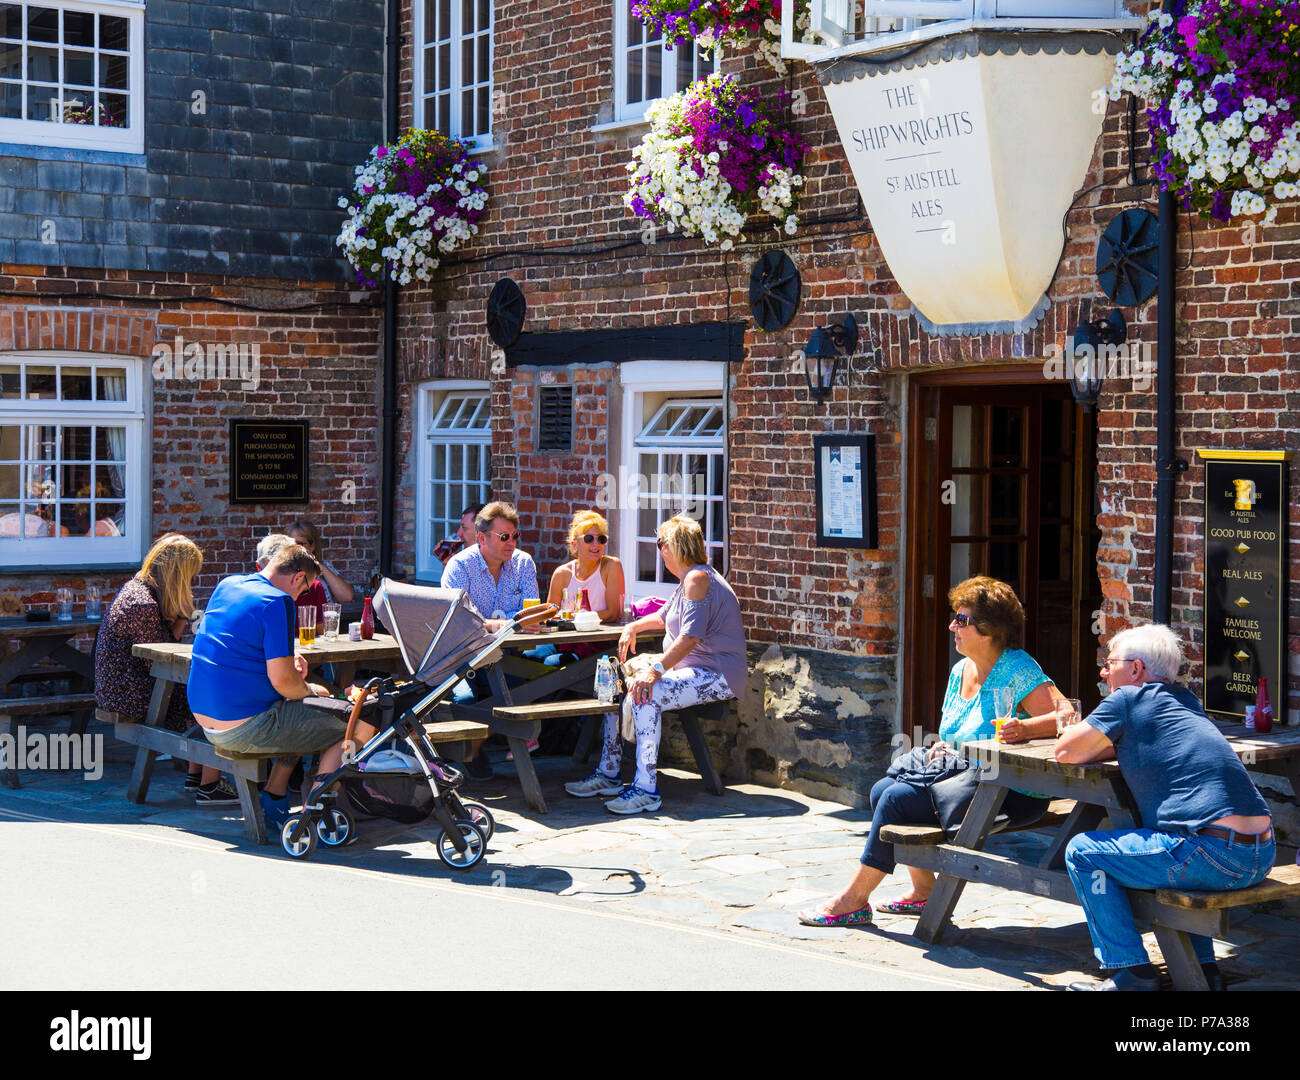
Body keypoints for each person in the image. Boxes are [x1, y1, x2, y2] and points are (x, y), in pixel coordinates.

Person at [797, 576, 1062, 927]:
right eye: (955, 617)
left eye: (962, 620)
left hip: (1011, 790)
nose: (953, 625)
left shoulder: (1018, 669)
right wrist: (943, 746)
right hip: (963, 780)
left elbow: (1066, 716)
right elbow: (955, 734)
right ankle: (923, 892)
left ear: (989, 630)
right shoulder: (960, 670)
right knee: (882, 791)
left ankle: (853, 901)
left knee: (896, 801)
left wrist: (1024, 728)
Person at [1058, 625, 1274, 991]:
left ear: (1137, 669)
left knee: (1084, 852)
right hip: (1260, 854)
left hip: (1211, 855)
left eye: (1110, 663)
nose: (1103, 671)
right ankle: (1203, 971)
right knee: (1170, 840)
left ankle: (1132, 973)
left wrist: (1075, 734)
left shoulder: (1127, 699)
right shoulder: (1186, 702)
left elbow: (1066, 752)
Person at [187, 544, 376, 834]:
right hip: (243, 727)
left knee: (310, 712)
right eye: (303, 590)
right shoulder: (277, 602)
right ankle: (316, 814)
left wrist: (289, 665)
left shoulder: (229, 585)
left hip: (204, 719)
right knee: (361, 722)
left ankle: (277, 796)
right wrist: (311, 690)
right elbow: (283, 683)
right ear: (298, 577)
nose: (300, 597)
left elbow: (242, 651)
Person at [565, 514, 744, 815]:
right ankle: (609, 772)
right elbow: (664, 617)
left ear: (674, 546)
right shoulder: (688, 578)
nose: (659, 550)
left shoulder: (699, 579)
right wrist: (633, 627)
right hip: (691, 669)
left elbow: (690, 637)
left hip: (717, 674)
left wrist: (655, 670)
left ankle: (646, 789)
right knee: (612, 681)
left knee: (644, 691)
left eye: (661, 543)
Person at [94, 533, 239, 806]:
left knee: (198, 690)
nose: (191, 582)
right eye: (189, 576)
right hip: (125, 692)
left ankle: (197, 776)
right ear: (177, 573)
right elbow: (159, 660)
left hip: (127, 683)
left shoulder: (137, 589)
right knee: (213, 697)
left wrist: (181, 614)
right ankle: (209, 784)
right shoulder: (143, 604)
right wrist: (184, 615)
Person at [440, 501, 540, 629]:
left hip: (519, 645)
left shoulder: (523, 563)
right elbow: (457, 619)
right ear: (482, 538)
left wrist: (486, 623)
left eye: (515, 536)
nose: (511, 543)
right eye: (504, 537)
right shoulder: (460, 566)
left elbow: (531, 615)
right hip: (473, 647)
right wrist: (506, 625)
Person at [546, 510, 626, 622]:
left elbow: (613, 613)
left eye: (601, 539)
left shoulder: (611, 566)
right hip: (568, 638)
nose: (596, 544)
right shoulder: (561, 574)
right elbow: (550, 617)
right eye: (589, 538)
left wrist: (576, 617)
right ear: (575, 544)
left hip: (602, 638)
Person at [286, 519, 355, 604]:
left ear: (312, 546)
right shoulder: (282, 569)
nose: (294, 548)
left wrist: (320, 567)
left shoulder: (324, 566)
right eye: (291, 544)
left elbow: (347, 597)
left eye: (299, 543)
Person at [437, 502, 485, 567]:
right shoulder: (467, 561)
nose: (458, 534)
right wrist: (447, 565)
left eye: (464, 528)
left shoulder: (497, 564)